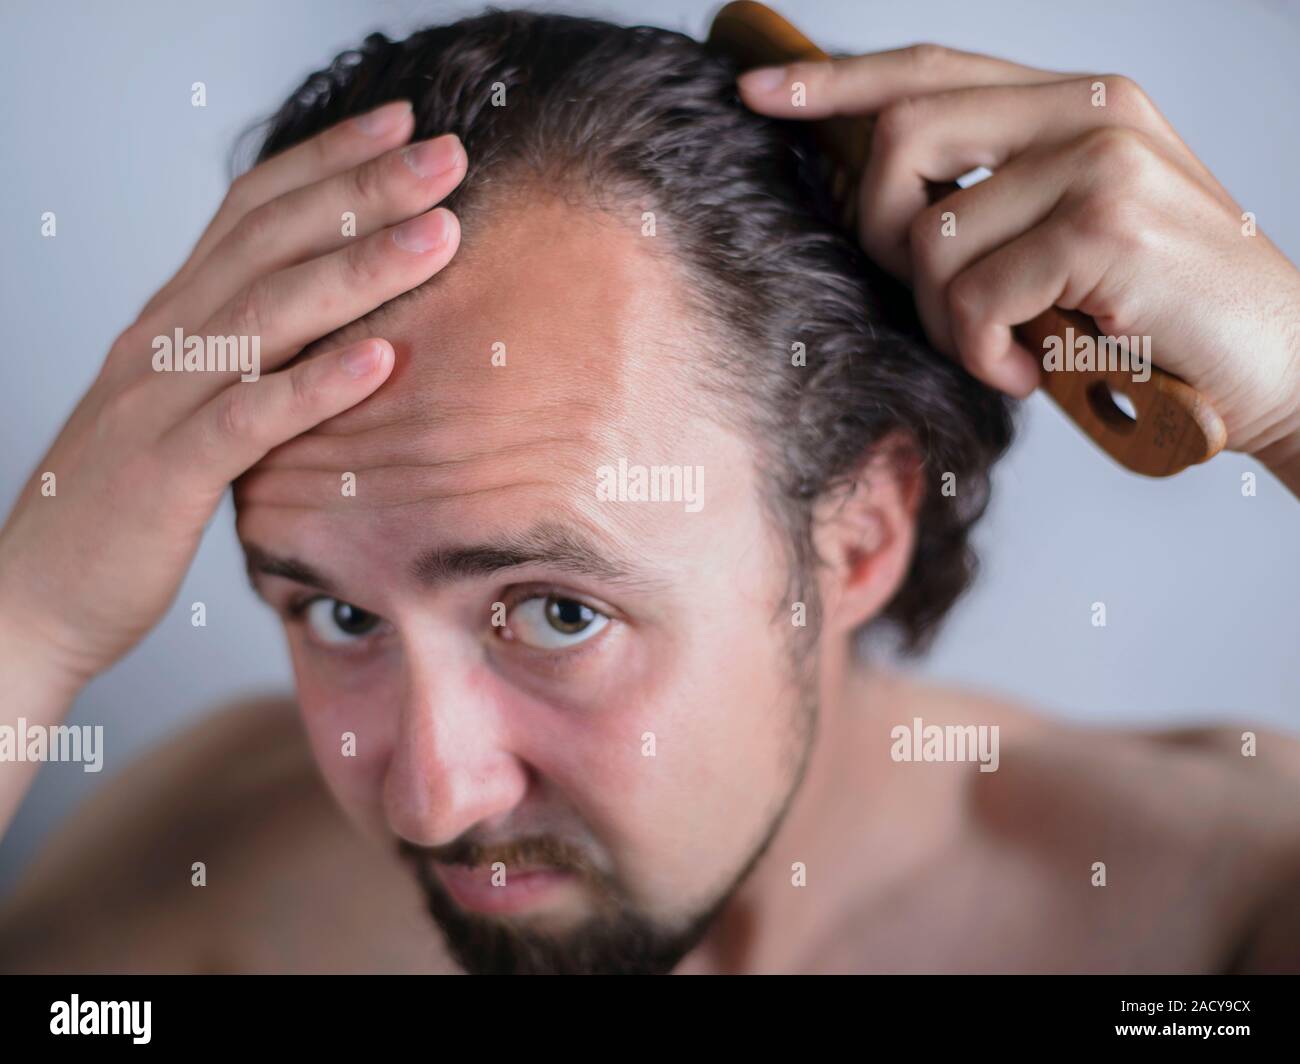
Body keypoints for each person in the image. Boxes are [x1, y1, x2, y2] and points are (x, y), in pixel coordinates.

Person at [1, 11, 1297, 975]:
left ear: (857, 540)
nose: (429, 800)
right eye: (338, 618)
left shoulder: (1214, 912)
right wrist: (33, 625)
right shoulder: (214, 881)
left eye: (555, 611)